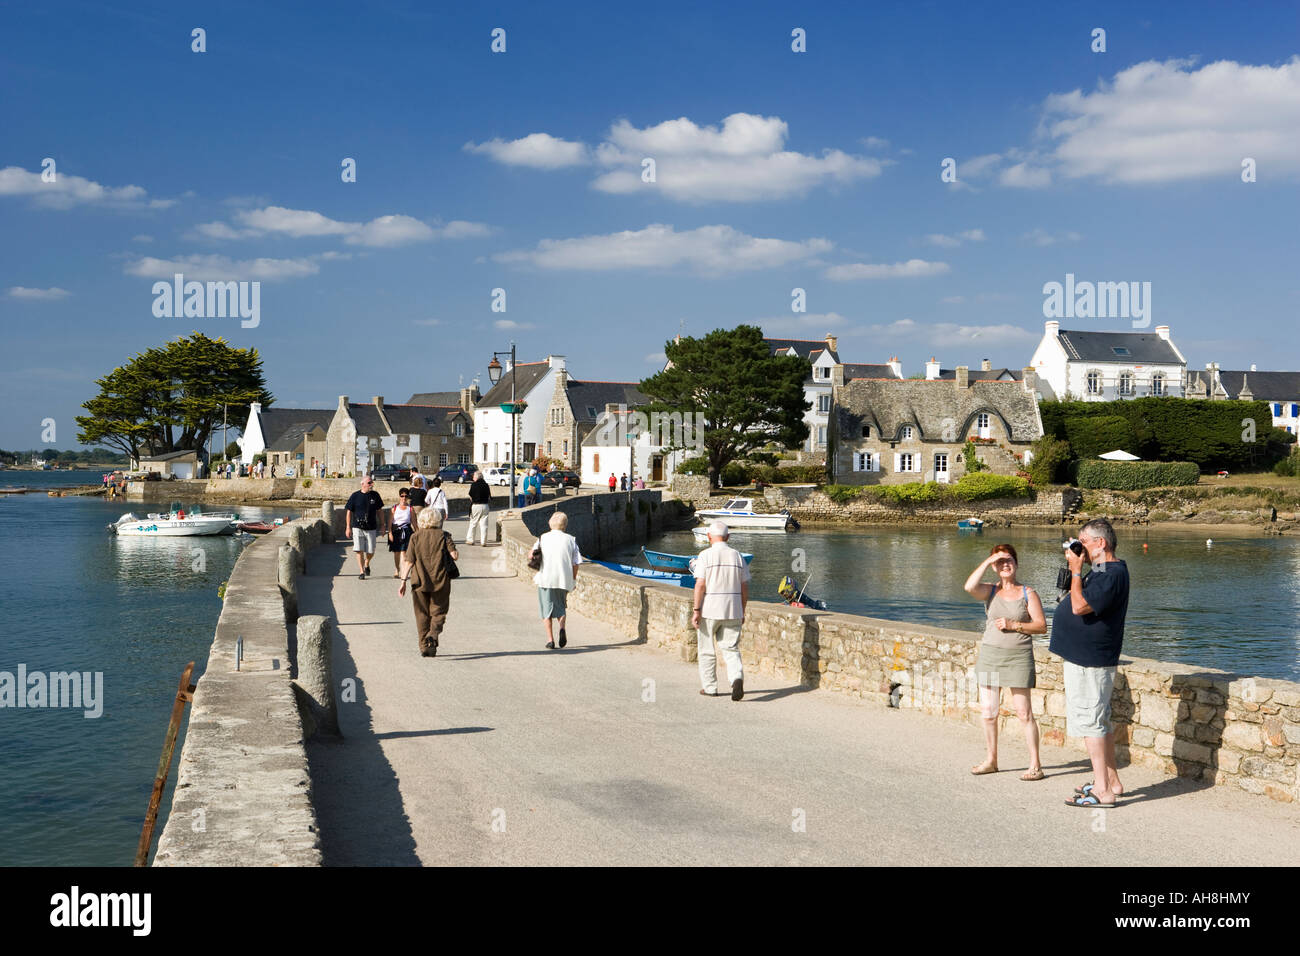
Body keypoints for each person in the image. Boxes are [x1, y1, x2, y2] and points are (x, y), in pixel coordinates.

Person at [1052, 518, 1131, 808]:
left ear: (1101, 543)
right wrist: (1077, 568)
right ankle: (1112, 782)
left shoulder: (1112, 573)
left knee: (1092, 723)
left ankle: (1103, 791)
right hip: (1086, 658)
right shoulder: (1102, 569)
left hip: (1091, 662)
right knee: (1101, 720)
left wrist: (1075, 570)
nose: (1079, 546)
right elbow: (1077, 593)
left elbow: (1078, 605)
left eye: (1083, 541)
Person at [963, 544, 1046, 780]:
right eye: (1000, 562)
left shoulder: (1028, 593)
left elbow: (1041, 626)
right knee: (989, 713)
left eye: (1008, 560)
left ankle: (1035, 765)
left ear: (1016, 564)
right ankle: (991, 760)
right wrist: (988, 561)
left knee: (1024, 714)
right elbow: (969, 586)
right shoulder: (990, 591)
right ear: (994, 567)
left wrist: (1014, 625)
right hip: (990, 656)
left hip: (1018, 657)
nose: (1005, 565)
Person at [691, 521, 751, 700]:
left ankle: (710, 687)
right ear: (728, 537)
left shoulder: (705, 556)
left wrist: (696, 610)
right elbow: (744, 586)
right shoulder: (738, 556)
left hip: (710, 609)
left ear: (709, 537)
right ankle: (736, 677)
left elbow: (700, 584)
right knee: (731, 648)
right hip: (733, 609)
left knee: (706, 650)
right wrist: (742, 609)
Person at [398, 508, 459, 657]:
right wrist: (453, 550)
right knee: (439, 612)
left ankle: (425, 647)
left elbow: (409, 561)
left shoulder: (415, 537)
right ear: (438, 520)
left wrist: (403, 581)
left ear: (421, 520)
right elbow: (454, 556)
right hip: (441, 580)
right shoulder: (444, 536)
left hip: (419, 581)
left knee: (421, 614)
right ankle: (433, 633)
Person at [530, 511, 583, 649]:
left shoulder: (543, 538)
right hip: (563, 579)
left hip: (545, 578)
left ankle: (550, 640)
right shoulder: (571, 539)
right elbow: (576, 563)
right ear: (565, 525)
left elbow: (531, 555)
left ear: (550, 523)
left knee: (546, 610)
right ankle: (562, 628)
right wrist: (573, 579)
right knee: (560, 607)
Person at [344, 474, 387, 579]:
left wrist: (383, 526)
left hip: (371, 527)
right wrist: (348, 527)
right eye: (369, 483)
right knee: (358, 549)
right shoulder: (355, 496)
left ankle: (367, 562)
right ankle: (361, 571)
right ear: (362, 484)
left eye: (372, 482)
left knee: (371, 551)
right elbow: (349, 512)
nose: (371, 484)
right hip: (357, 526)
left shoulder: (375, 495)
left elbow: (380, 511)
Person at [387, 488, 414, 576]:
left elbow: (414, 522)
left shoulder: (410, 509)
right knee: (396, 552)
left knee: (403, 552)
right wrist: (389, 533)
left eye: (406, 496)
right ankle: (397, 569)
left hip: (406, 531)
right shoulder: (394, 508)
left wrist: (418, 533)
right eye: (402, 496)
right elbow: (390, 522)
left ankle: (403, 571)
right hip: (396, 531)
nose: (404, 498)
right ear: (399, 496)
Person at [466, 470, 492, 545]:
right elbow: (489, 497)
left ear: (477, 477)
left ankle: (470, 540)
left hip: (476, 505)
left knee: (473, 523)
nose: (473, 477)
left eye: (474, 476)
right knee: (484, 525)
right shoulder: (486, 485)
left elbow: (470, 496)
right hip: (485, 505)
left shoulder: (474, 485)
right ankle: (483, 541)